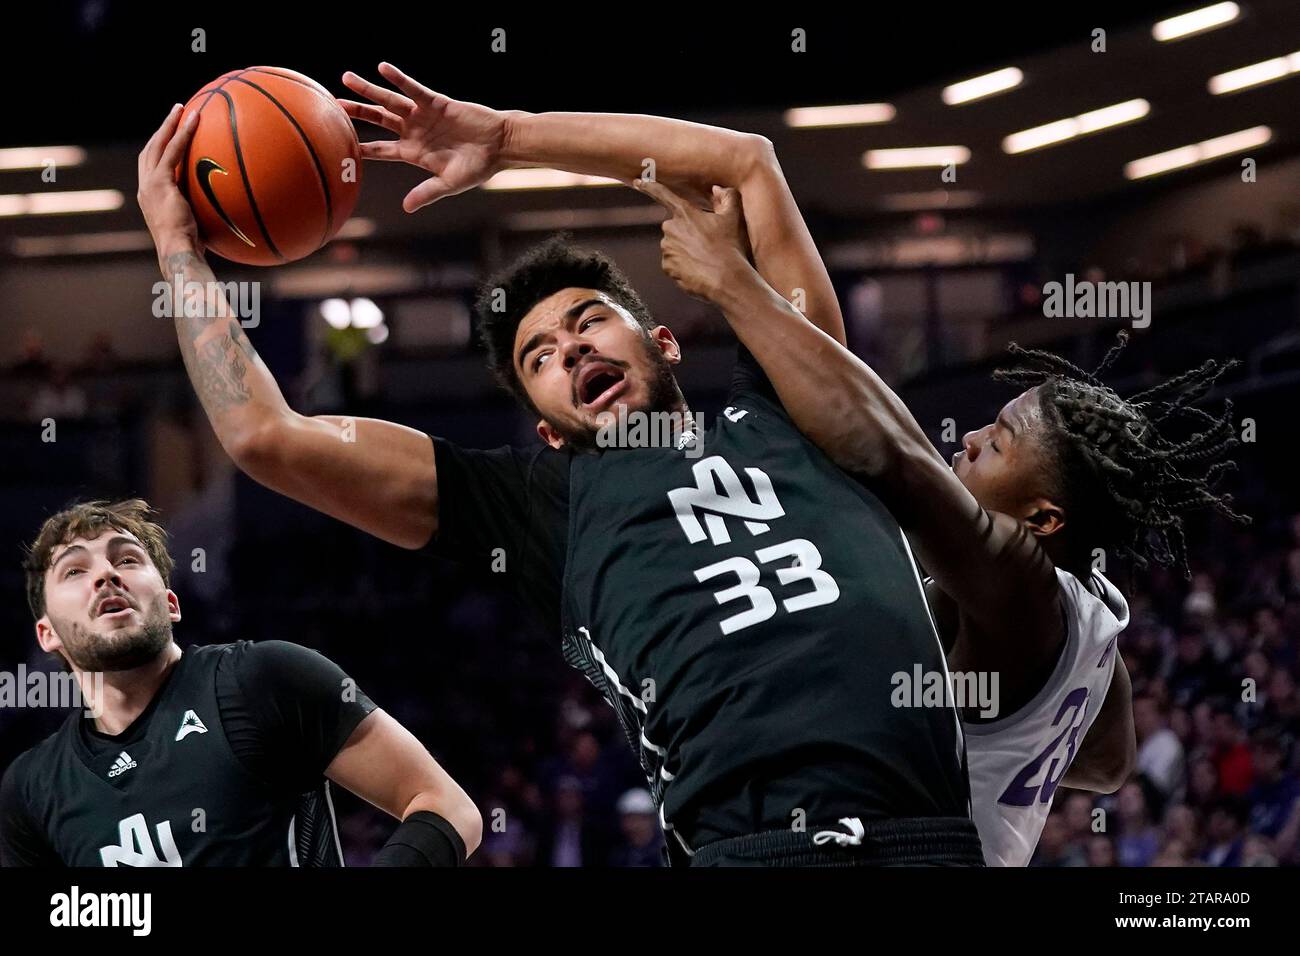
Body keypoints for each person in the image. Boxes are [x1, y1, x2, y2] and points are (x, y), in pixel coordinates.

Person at [136, 66, 979, 866]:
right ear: (543, 427)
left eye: (590, 322)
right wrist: (177, 244)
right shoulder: (538, 504)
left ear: (664, 341)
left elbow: (746, 165)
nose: (571, 347)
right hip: (746, 851)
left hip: (927, 837)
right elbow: (263, 436)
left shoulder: (797, 401)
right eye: (539, 358)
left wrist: (505, 138)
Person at [631, 173, 1248, 866]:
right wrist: (998, 750)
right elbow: (1107, 765)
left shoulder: (1024, 586)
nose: (972, 439)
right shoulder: (1097, 617)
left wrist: (732, 285)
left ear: (1043, 518)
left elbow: (889, 452)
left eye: (1000, 441)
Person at [0, 499, 480, 867]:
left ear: (171, 602)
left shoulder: (262, 679)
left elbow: (447, 806)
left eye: (126, 559)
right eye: (76, 570)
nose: (105, 574)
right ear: (47, 633)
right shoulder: (31, 787)